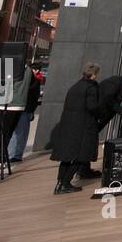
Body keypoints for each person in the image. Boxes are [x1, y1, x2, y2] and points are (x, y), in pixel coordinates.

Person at [50, 63, 102, 195]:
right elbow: (92, 107)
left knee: (66, 156)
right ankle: (66, 183)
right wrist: (100, 113)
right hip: (83, 126)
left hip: (68, 125)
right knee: (80, 155)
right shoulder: (91, 88)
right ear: (94, 75)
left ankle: (60, 183)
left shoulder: (75, 87)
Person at [7, 63, 43, 162]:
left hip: (25, 109)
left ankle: (15, 155)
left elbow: (33, 97)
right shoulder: (31, 81)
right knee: (16, 132)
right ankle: (12, 154)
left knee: (20, 133)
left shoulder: (34, 82)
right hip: (20, 108)